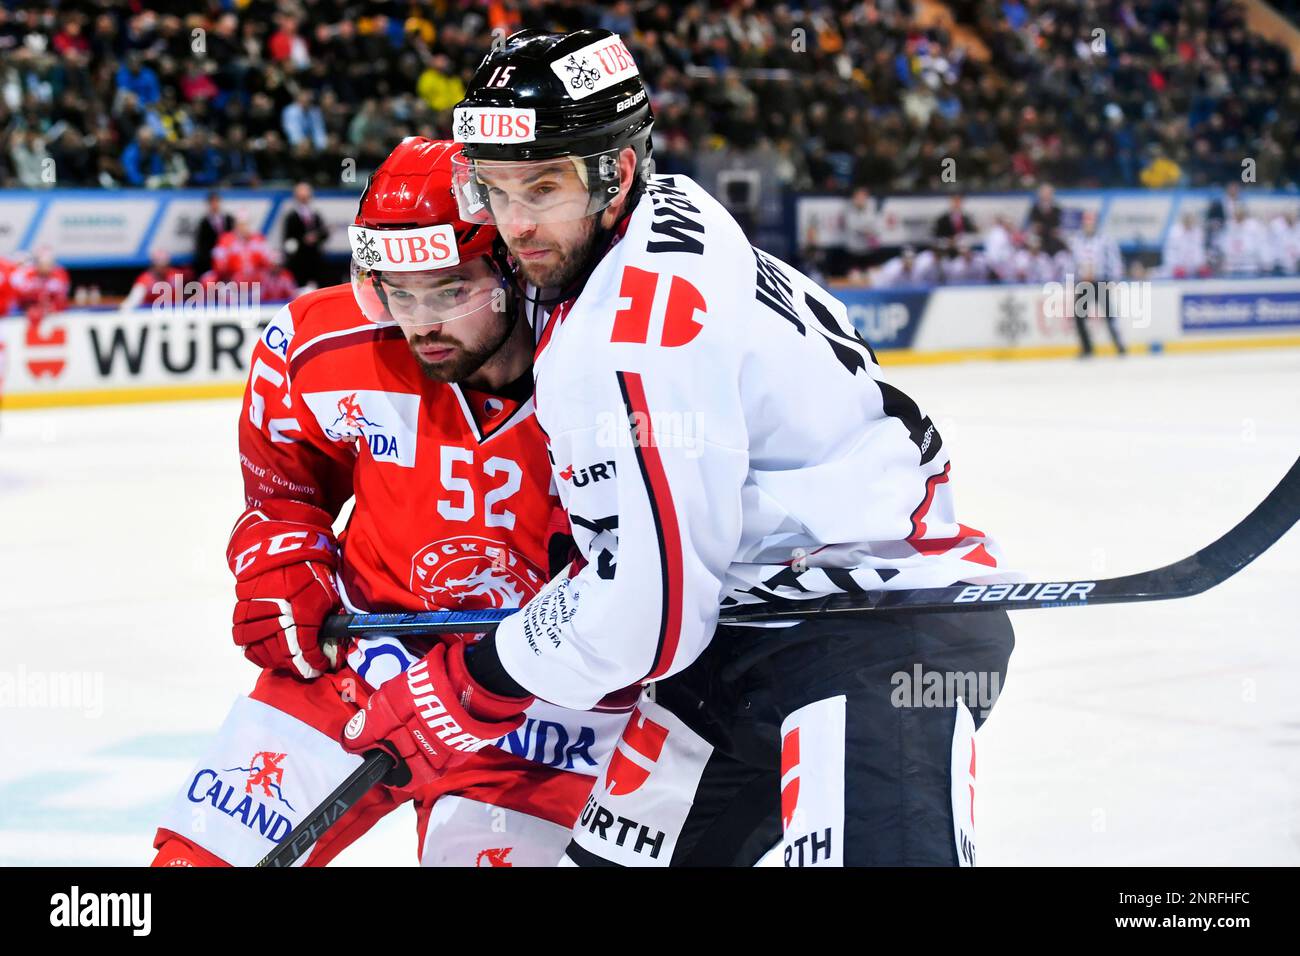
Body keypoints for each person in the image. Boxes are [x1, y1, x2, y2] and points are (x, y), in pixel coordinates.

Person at [342, 30, 1017, 868]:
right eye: (497, 190)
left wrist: (470, 679)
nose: (516, 226)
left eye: (543, 188)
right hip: (735, 635)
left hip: (872, 629)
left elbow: (647, 618)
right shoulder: (668, 209)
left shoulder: (624, 340)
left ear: (616, 172)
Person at [150, 138, 634, 868]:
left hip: (543, 699)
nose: (420, 324)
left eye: (449, 291)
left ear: (514, 266)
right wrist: (284, 558)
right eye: (395, 293)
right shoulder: (321, 347)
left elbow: (645, 572)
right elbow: (285, 486)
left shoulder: (611, 365)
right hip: (362, 662)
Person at [1067, 210, 1126, 357]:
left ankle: (1119, 346)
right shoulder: (1076, 241)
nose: (1088, 226)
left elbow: (1115, 261)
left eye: (1091, 223)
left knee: (1109, 315)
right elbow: (1073, 263)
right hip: (1083, 283)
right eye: (1086, 223)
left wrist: (1114, 279)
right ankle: (1087, 348)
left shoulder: (1105, 240)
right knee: (1079, 316)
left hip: (1100, 281)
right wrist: (1072, 280)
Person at [281, 181, 328, 291]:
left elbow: (324, 233)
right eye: (302, 195)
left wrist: (317, 237)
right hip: (299, 262)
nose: (304, 198)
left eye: (306, 195)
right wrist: (303, 240)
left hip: (315, 260)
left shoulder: (315, 215)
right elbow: (288, 240)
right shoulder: (291, 217)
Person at [120, 248, 191, 311]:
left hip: (174, 313)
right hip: (151, 314)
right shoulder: (145, 280)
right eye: (159, 265)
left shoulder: (176, 276)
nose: (162, 268)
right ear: (153, 265)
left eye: (165, 265)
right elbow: (132, 301)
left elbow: (186, 297)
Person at [194, 191, 233, 278]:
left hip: (228, 258)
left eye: (216, 202)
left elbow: (233, 238)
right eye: (212, 202)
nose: (214, 205)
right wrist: (212, 254)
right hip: (210, 260)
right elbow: (201, 244)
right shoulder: (204, 222)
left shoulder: (229, 219)